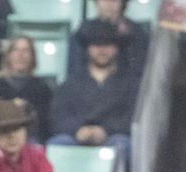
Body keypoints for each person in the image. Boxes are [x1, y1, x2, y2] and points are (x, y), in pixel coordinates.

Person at [48, 20, 137, 159]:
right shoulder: (72, 82)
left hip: (112, 137)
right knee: (58, 144)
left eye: (107, 45)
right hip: (76, 136)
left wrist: (106, 130)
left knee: (122, 145)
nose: (102, 50)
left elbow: (132, 116)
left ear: (117, 48)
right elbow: (59, 115)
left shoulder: (130, 83)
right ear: (88, 48)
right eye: (96, 45)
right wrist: (78, 130)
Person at [0, 35, 54, 145]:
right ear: (8, 55)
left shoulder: (41, 87)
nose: (20, 55)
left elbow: (45, 124)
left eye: (26, 51)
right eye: (15, 50)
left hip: (30, 139)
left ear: (33, 57)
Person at [68, 0, 149, 81]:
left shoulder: (136, 33)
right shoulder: (83, 32)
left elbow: (141, 69)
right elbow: (74, 68)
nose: (109, 4)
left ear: (122, 2)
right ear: (96, 1)